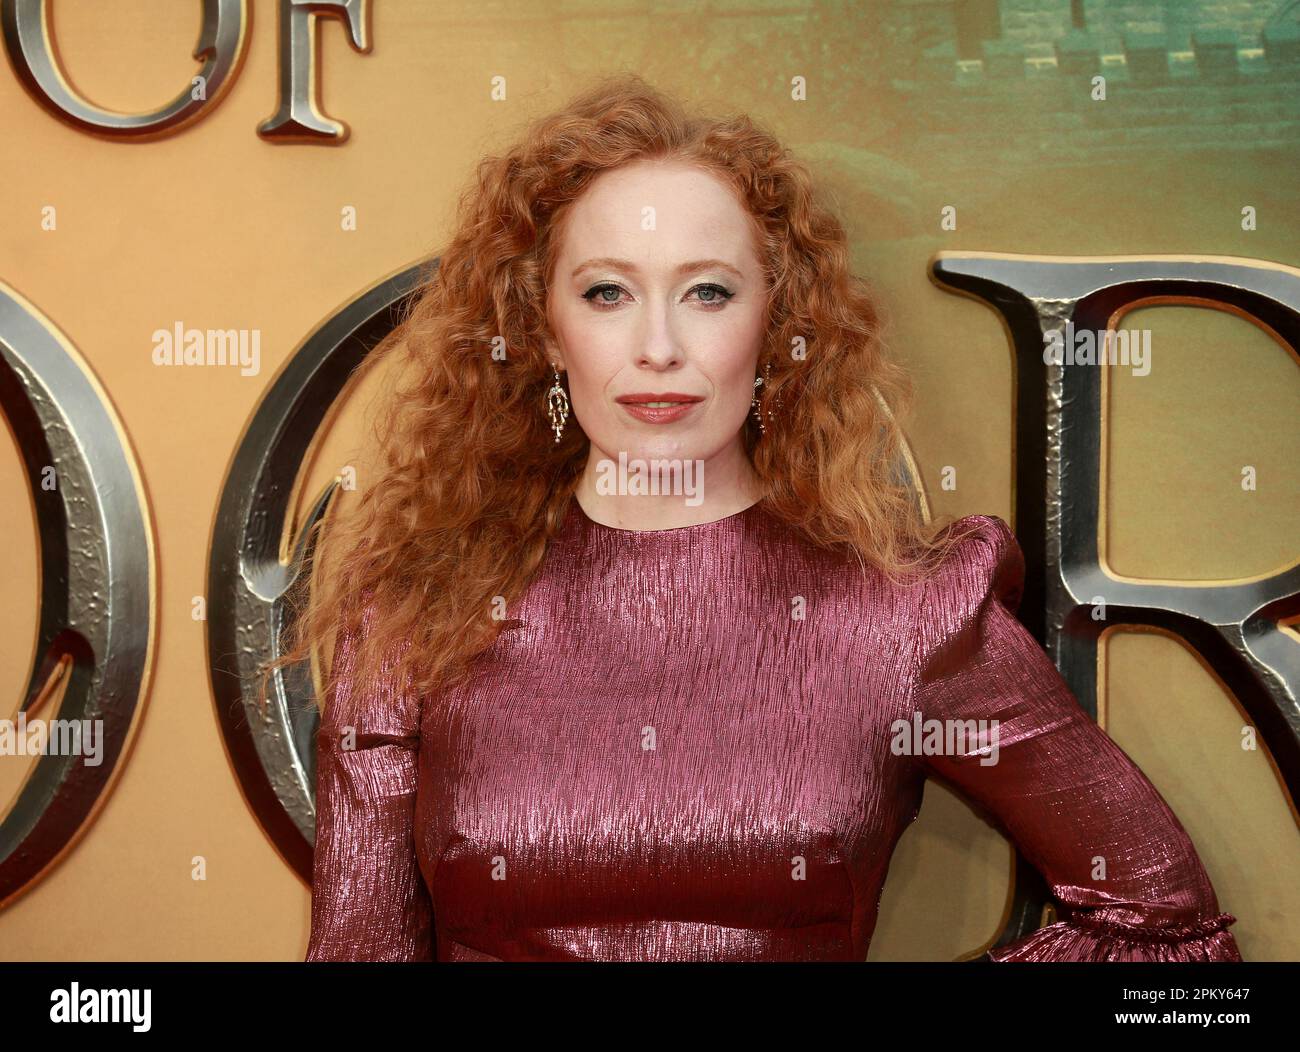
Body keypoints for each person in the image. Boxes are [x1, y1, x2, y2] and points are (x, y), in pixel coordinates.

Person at [277, 75, 1241, 962]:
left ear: (778, 324)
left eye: (708, 292)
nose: (658, 347)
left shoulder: (903, 615)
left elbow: (1169, 934)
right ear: (542, 328)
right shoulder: (413, 611)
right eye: (608, 292)